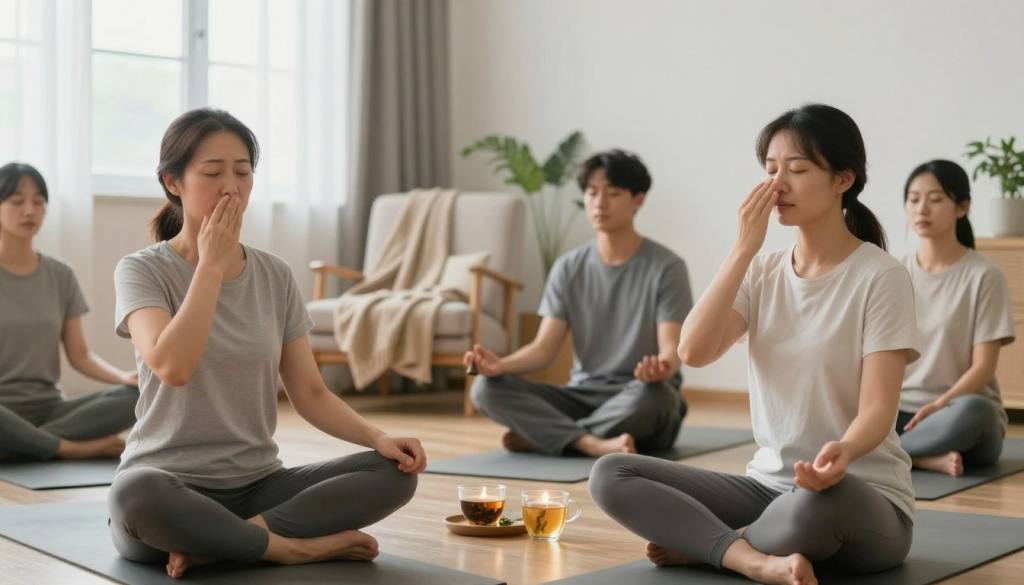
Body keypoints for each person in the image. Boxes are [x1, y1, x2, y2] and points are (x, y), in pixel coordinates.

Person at [590, 104, 918, 585]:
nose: (777, 183)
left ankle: (713, 544)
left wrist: (843, 452)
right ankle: (751, 557)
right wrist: (742, 249)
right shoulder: (761, 271)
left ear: (843, 179)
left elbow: (878, 407)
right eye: (770, 169)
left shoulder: (881, 277)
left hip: (859, 497)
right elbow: (693, 352)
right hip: (768, 489)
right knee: (610, 473)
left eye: (798, 169)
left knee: (822, 505)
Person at [107, 108, 424, 579]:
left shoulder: (274, 274)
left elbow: (311, 393)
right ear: (173, 182)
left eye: (243, 172)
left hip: (257, 486)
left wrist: (379, 438)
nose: (231, 186)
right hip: (167, 489)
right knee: (136, 496)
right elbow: (173, 366)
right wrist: (210, 267)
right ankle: (291, 548)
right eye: (213, 172)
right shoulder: (141, 270)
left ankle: (226, 543)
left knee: (393, 474)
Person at [466, 149, 693, 457]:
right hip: (582, 395)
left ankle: (549, 436)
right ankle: (589, 442)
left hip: (639, 395)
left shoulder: (667, 267)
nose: (599, 203)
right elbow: (543, 350)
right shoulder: (568, 267)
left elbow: (672, 350)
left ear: (638, 199)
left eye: (613, 193)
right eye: (591, 192)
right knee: (485, 388)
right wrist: (499, 365)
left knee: (658, 399)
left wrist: (661, 370)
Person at [0, 162, 138, 461]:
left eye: (38, 202)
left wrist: (122, 377)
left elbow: (80, 355)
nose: (29, 210)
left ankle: (18, 447)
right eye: (16, 201)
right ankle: (68, 447)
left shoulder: (60, 274)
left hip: (49, 407)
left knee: (140, 395)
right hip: (2, 410)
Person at [898, 159, 1014, 476]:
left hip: (956, 413)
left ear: (961, 208)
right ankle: (920, 457)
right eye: (914, 198)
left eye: (935, 200)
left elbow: (983, 367)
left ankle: (880, 455)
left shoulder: (983, 275)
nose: (922, 209)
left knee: (976, 410)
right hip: (899, 412)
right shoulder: (894, 272)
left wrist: (938, 407)